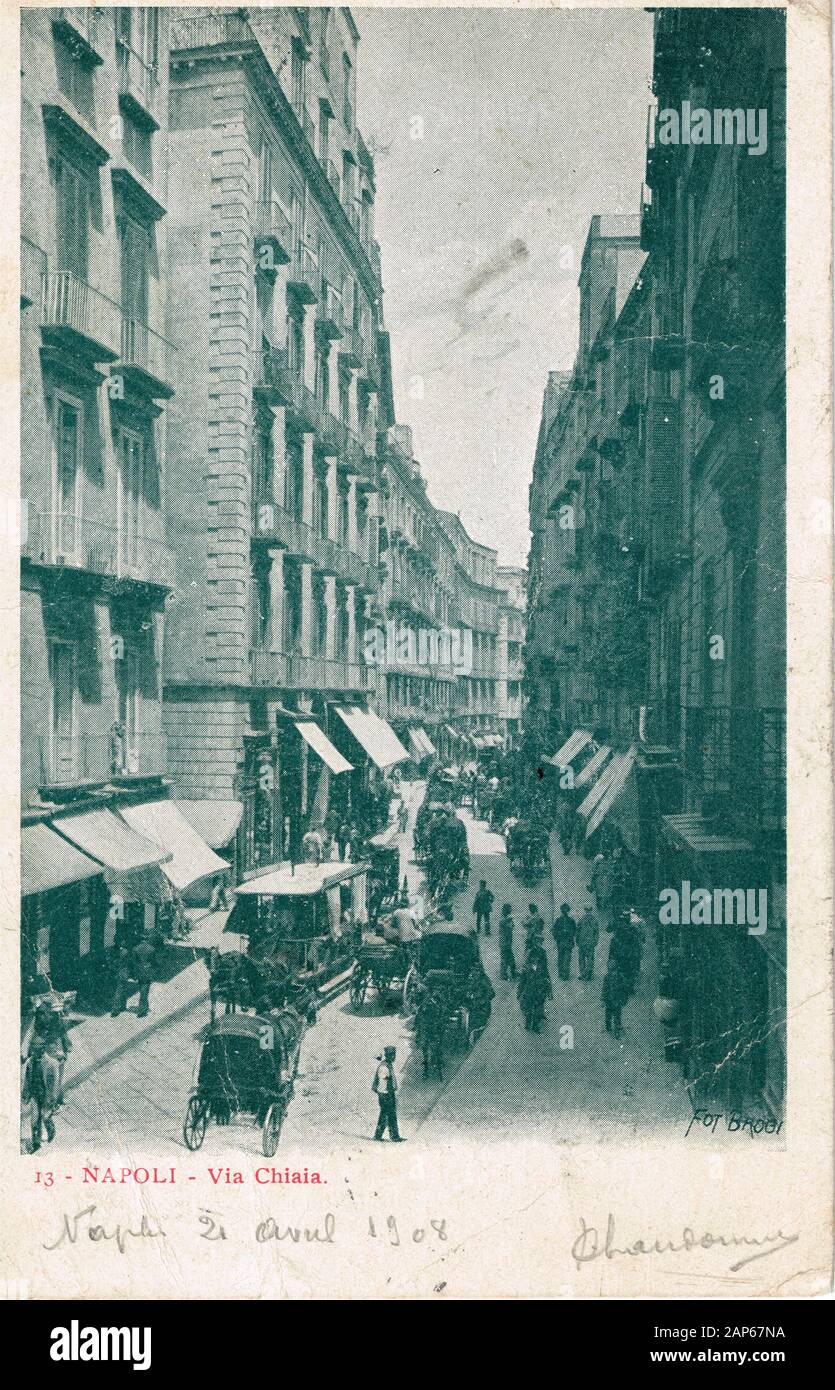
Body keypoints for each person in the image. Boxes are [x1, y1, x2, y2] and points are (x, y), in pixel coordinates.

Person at [22, 999, 72, 1151]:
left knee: (45, 1113)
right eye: (41, 1013)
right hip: (36, 1079)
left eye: (48, 1013)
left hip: (50, 1075)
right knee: (34, 1116)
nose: (44, 1016)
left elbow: (65, 1047)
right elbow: (26, 1047)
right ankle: (36, 1142)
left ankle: (49, 1124)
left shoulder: (57, 1029)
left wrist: (59, 1054)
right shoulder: (34, 1029)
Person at [372, 1046, 404, 1141]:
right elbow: (382, 1083)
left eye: (394, 1055)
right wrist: (385, 1095)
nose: (394, 1057)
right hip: (386, 1094)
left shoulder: (388, 1065)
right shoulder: (384, 1067)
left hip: (388, 1094)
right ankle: (386, 1136)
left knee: (388, 1115)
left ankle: (391, 1136)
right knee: (387, 1115)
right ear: (387, 1055)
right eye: (392, 1055)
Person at [517, 956, 552, 1033]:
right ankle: (528, 1024)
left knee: (538, 1011)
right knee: (528, 1011)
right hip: (529, 993)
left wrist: (549, 992)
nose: (535, 961)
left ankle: (535, 1027)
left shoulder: (542, 969)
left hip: (539, 993)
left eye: (537, 960)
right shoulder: (526, 970)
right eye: (533, 960)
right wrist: (519, 994)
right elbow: (521, 984)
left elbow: (547, 981)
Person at [417, 991, 446, 1081]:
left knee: (427, 1051)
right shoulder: (437, 1007)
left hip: (429, 1031)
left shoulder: (425, 1005)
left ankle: (427, 1071)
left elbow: (420, 1019)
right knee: (435, 1049)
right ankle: (435, 1070)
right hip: (432, 1031)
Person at [602, 964, 629, 1038]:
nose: (612, 973)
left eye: (613, 971)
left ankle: (617, 1031)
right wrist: (603, 999)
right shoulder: (607, 977)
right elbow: (604, 989)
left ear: (617, 970)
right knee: (608, 1015)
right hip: (609, 1001)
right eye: (610, 970)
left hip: (617, 1001)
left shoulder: (620, 978)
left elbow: (624, 990)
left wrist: (624, 999)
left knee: (617, 1017)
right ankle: (608, 1026)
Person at [132, 934, 156, 1018]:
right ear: (147, 939)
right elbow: (153, 961)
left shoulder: (135, 949)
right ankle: (142, 1010)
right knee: (144, 991)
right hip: (148, 971)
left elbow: (134, 963)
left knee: (142, 989)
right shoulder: (151, 949)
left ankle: (145, 1007)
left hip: (139, 972)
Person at [552, 903, 578, 980]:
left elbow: (554, 932)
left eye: (566, 910)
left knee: (563, 958)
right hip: (566, 942)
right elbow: (574, 932)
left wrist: (558, 936)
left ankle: (563, 974)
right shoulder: (569, 920)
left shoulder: (560, 920)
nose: (565, 912)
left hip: (563, 943)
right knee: (565, 959)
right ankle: (564, 974)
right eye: (564, 910)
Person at [577, 904, 600, 981]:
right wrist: (595, 941)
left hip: (582, 942)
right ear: (591, 910)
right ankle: (589, 973)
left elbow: (578, 931)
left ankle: (583, 973)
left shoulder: (581, 919)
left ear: (585, 910)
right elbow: (596, 932)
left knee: (582, 959)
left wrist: (577, 941)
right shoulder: (595, 920)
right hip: (590, 943)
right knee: (590, 959)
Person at [110, 942, 133, 1018]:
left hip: (117, 973)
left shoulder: (115, 951)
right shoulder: (125, 952)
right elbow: (129, 962)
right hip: (123, 973)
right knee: (120, 991)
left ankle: (122, 1006)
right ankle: (115, 1010)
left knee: (121, 989)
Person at [498, 903, 517, 981]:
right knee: (505, 959)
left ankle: (512, 973)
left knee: (510, 959)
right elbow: (511, 926)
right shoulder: (503, 920)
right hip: (504, 943)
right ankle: (503, 975)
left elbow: (512, 925)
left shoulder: (506, 918)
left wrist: (510, 920)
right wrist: (510, 920)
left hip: (507, 943)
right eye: (509, 909)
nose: (511, 911)